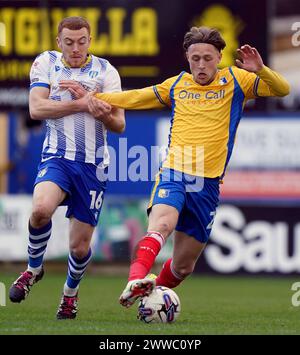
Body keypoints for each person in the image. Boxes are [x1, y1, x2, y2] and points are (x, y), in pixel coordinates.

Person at [87, 26, 290, 308]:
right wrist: (93, 98)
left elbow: (283, 89)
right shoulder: (177, 85)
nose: (201, 64)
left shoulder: (237, 79)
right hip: (174, 171)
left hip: (207, 185)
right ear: (187, 58)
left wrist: (261, 69)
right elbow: (134, 97)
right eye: (195, 58)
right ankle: (135, 279)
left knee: (183, 267)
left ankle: (150, 290)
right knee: (161, 225)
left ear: (219, 56)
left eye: (208, 57)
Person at [9, 16, 125, 319]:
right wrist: (83, 103)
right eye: (69, 42)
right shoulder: (46, 62)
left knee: (79, 248)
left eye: (81, 41)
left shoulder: (106, 71)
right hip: (57, 158)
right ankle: (34, 269)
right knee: (40, 210)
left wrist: (96, 107)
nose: (75, 47)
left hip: (93, 167)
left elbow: (119, 124)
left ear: (90, 40)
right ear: (59, 41)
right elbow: (37, 108)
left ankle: (69, 296)